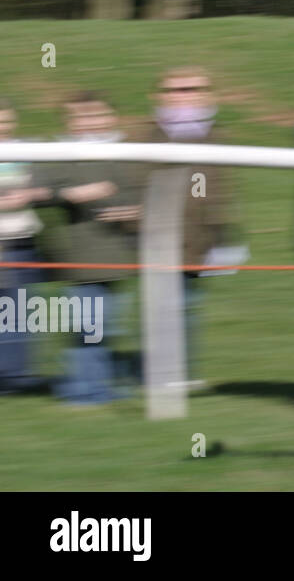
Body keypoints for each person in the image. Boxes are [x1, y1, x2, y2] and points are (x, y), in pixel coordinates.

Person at [145, 66, 243, 389]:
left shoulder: (216, 136)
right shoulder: (146, 136)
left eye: (193, 89)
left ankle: (179, 376)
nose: (185, 97)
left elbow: (220, 192)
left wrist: (221, 237)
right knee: (159, 313)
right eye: (177, 90)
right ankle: (160, 377)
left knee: (187, 310)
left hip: (198, 243)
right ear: (161, 96)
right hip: (155, 242)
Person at [48, 92, 144, 405]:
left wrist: (129, 210)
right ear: (70, 122)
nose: (91, 123)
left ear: (112, 117)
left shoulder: (124, 154)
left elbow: (136, 195)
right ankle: (83, 391)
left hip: (116, 255)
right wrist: (71, 192)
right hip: (82, 256)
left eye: (97, 116)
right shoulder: (61, 153)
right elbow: (44, 189)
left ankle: (94, 386)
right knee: (89, 327)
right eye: (82, 117)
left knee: (104, 327)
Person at [0, 100, 51, 393]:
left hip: (21, 241)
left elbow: (40, 187)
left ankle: (17, 374)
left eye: (6, 121)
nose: (3, 128)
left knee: (20, 310)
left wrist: (29, 193)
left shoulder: (25, 150)